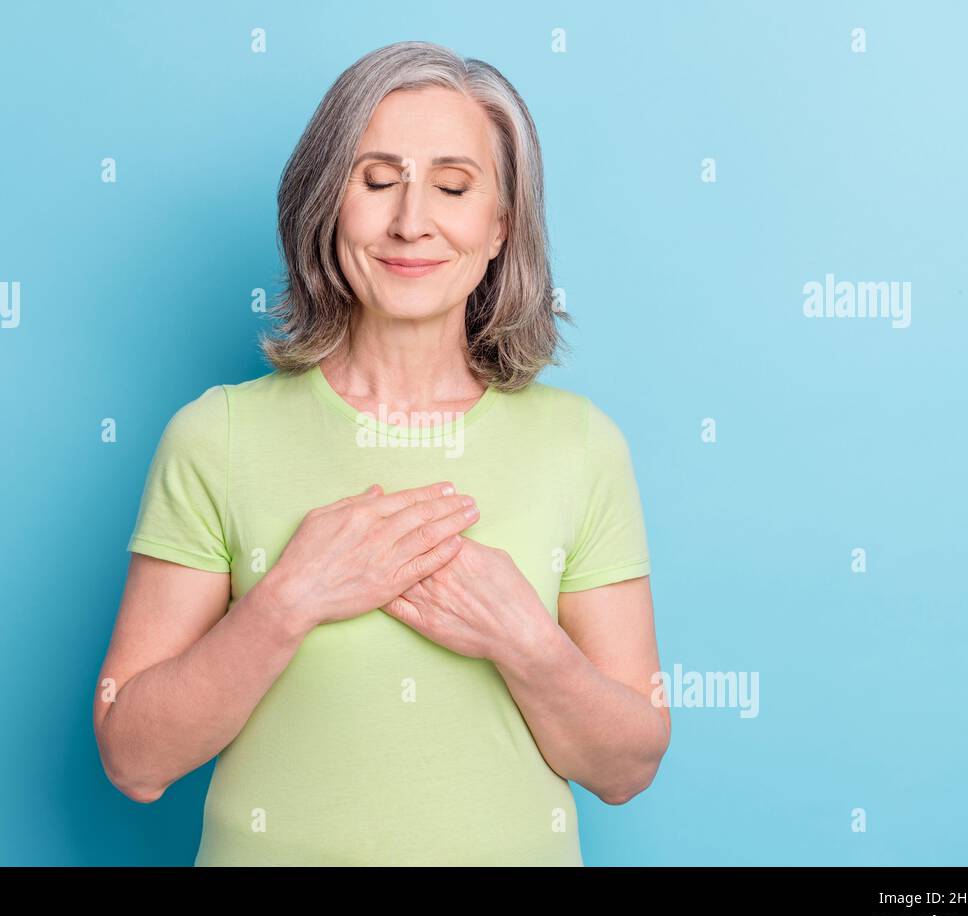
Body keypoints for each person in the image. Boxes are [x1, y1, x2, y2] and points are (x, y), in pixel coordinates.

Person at [93, 40, 669, 866]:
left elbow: (627, 767)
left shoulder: (580, 445)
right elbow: (134, 759)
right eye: (376, 180)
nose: (410, 221)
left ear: (501, 225)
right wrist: (290, 598)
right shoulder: (216, 436)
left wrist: (525, 641)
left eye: (454, 186)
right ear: (328, 205)